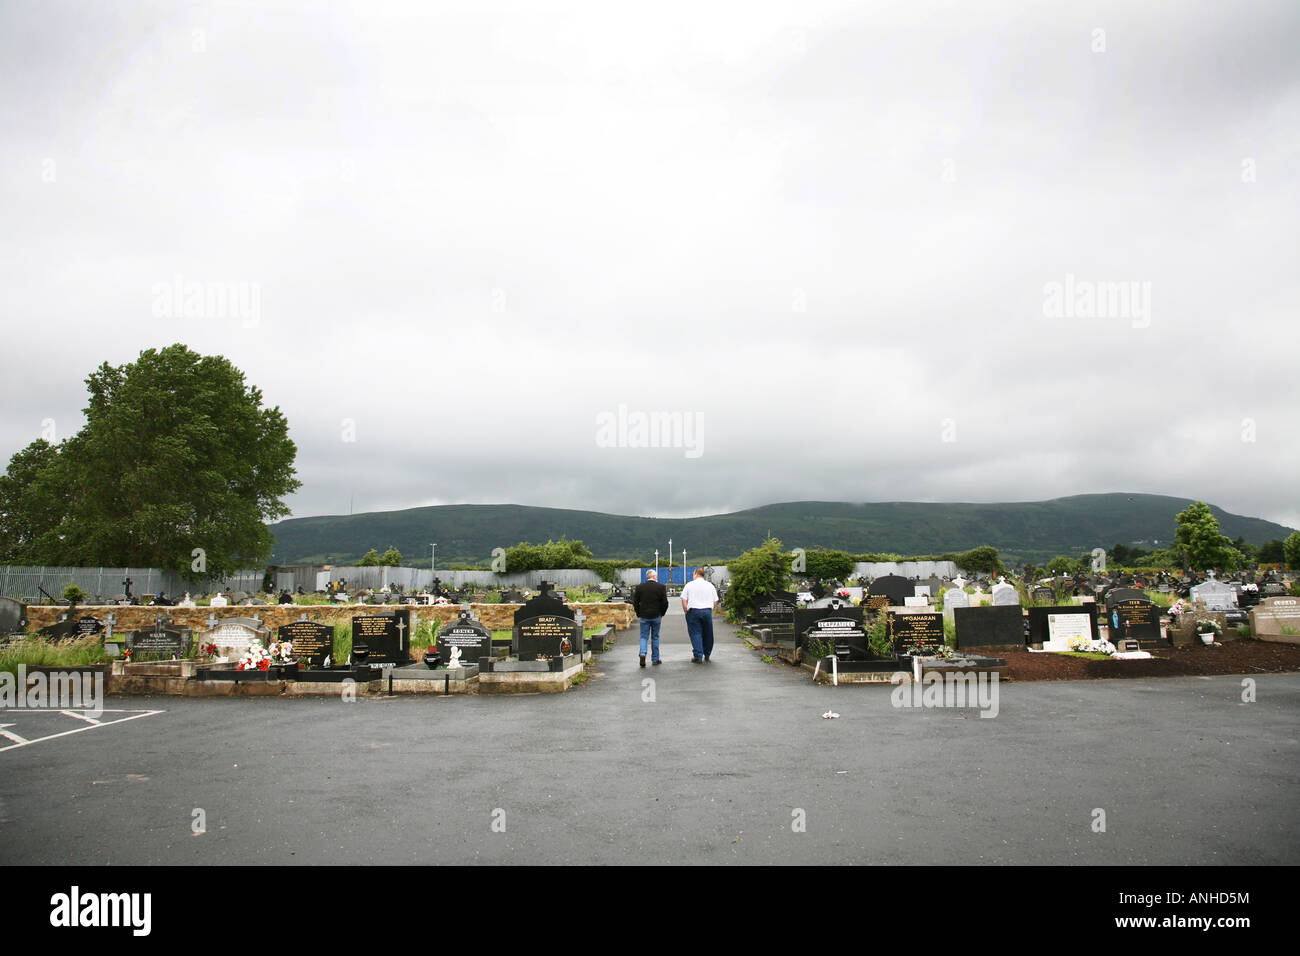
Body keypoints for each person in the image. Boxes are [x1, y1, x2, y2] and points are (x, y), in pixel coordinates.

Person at [681, 568, 720, 662]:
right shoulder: (710, 585)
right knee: (708, 633)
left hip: (693, 611)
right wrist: (711, 608)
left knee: (695, 633)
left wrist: (686, 610)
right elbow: (716, 600)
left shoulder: (689, 585)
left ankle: (698, 655)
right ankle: (707, 654)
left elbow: (684, 599)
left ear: (695, 574)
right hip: (707, 610)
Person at [631, 570, 668, 667]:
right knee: (655, 637)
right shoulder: (661, 587)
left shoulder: (640, 587)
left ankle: (643, 653)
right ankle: (655, 659)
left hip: (644, 615)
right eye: (656, 576)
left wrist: (638, 613)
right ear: (654, 577)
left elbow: (635, 602)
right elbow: (665, 602)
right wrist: (662, 613)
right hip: (656, 615)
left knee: (644, 637)